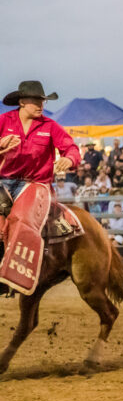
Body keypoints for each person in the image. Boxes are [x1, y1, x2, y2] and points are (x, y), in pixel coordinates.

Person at [0, 80, 81, 294]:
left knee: (22, 217)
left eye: (42, 101)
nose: (40, 105)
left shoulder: (50, 126)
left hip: (36, 184)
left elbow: (71, 147)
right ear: (22, 102)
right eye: (36, 100)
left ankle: (16, 273)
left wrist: (69, 159)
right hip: (4, 181)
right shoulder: (3, 121)